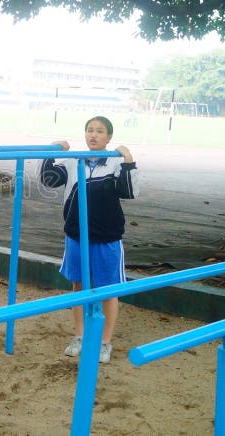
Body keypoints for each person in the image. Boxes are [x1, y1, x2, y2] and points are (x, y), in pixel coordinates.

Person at [39, 115, 138, 364]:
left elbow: (129, 191)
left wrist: (128, 160)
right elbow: (49, 179)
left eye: (99, 131)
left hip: (106, 236)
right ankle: (81, 336)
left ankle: (104, 342)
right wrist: (50, 152)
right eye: (90, 130)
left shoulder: (114, 163)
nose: (93, 135)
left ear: (109, 137)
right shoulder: (75, 161)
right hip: (76, 235)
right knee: (79, 286)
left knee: (108, 290)